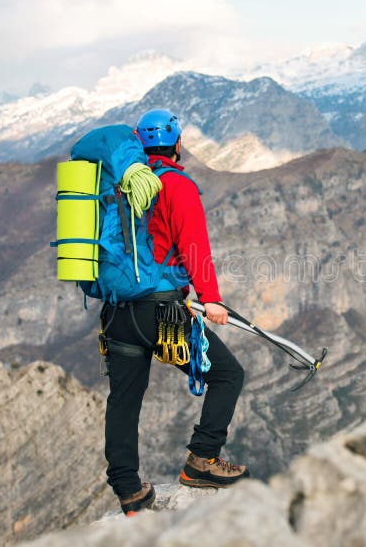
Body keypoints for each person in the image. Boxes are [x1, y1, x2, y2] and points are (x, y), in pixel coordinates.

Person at [102, 108, 248, 516]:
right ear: (177, 144)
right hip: (160, 314)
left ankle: (129, 493)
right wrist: (212, 298)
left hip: (116, 314)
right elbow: (194, 246)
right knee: (227, 374)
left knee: (124, 401)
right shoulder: (176, 185)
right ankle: (202, 459)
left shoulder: (120, 184)